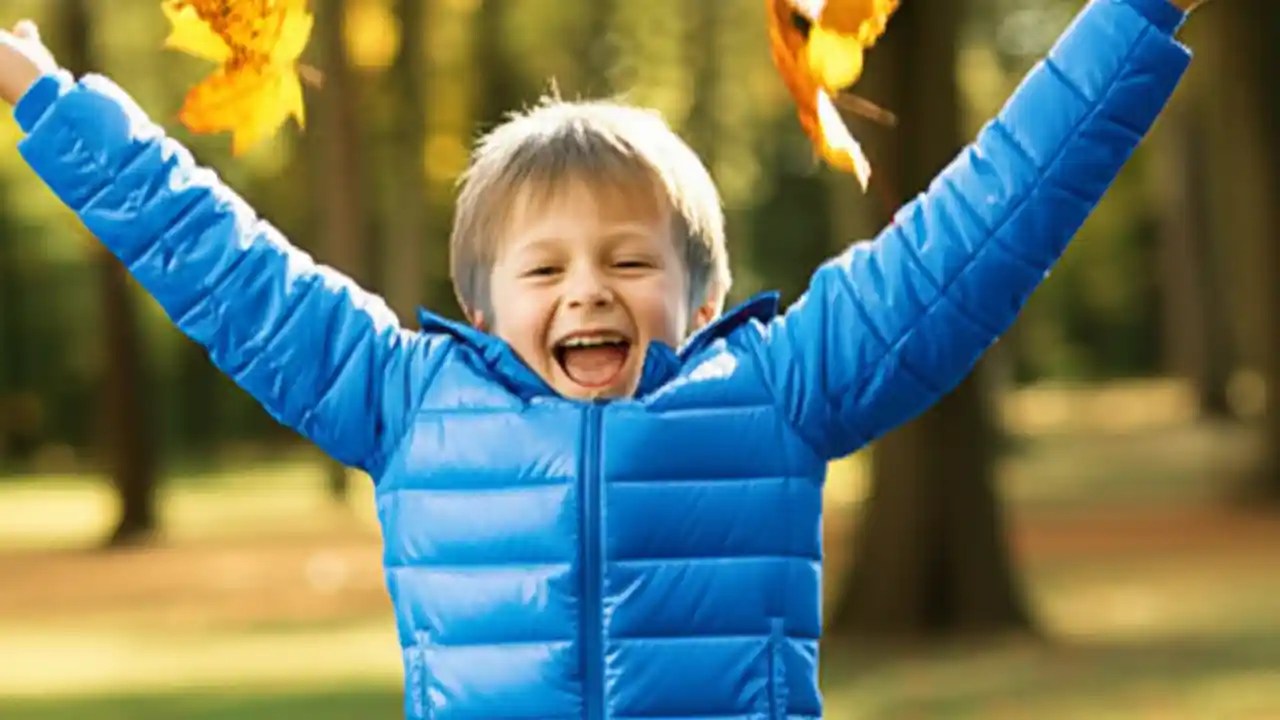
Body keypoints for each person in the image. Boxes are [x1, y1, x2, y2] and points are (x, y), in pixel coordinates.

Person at [0, 0, 1207, 717]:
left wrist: (1129, 18)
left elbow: (981, 229)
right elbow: (215, 259)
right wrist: (46, 99)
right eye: (544, 269)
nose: (587, 287)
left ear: (698, 293)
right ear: (479, 305)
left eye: (628, 261)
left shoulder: (780, 392)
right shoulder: (404, 401)